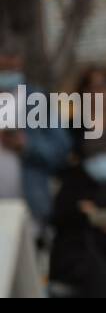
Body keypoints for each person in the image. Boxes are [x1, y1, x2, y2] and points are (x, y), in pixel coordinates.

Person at [48, 116, 106, 297]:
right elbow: (59, 217)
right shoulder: (74, 182)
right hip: (75, 258)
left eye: (105, 151)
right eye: (94, 154)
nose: (101, 160)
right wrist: (83, 212)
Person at [0, 43, 72, 236]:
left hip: (30, 213)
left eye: (12, 68)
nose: (8, 73)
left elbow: (60, 151)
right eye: (3, 68)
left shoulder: (37, 99)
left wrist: (26, 146)